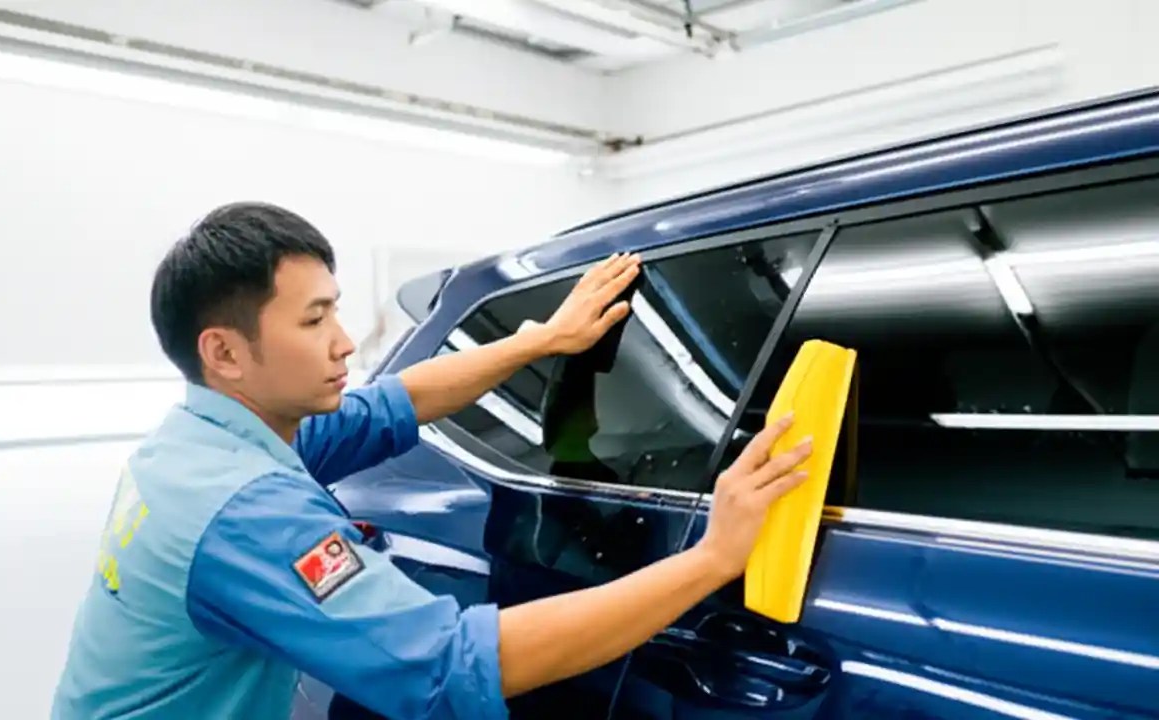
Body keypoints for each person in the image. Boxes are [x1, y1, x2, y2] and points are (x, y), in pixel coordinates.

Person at [51, 202, 812, 720]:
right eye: (314, 320)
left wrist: (537, 341)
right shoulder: (245, 512)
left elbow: (390, 405)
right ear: (224, 352)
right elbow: (445, 669)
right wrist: (714, 557)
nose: (346, 342)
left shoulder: (201, 440)